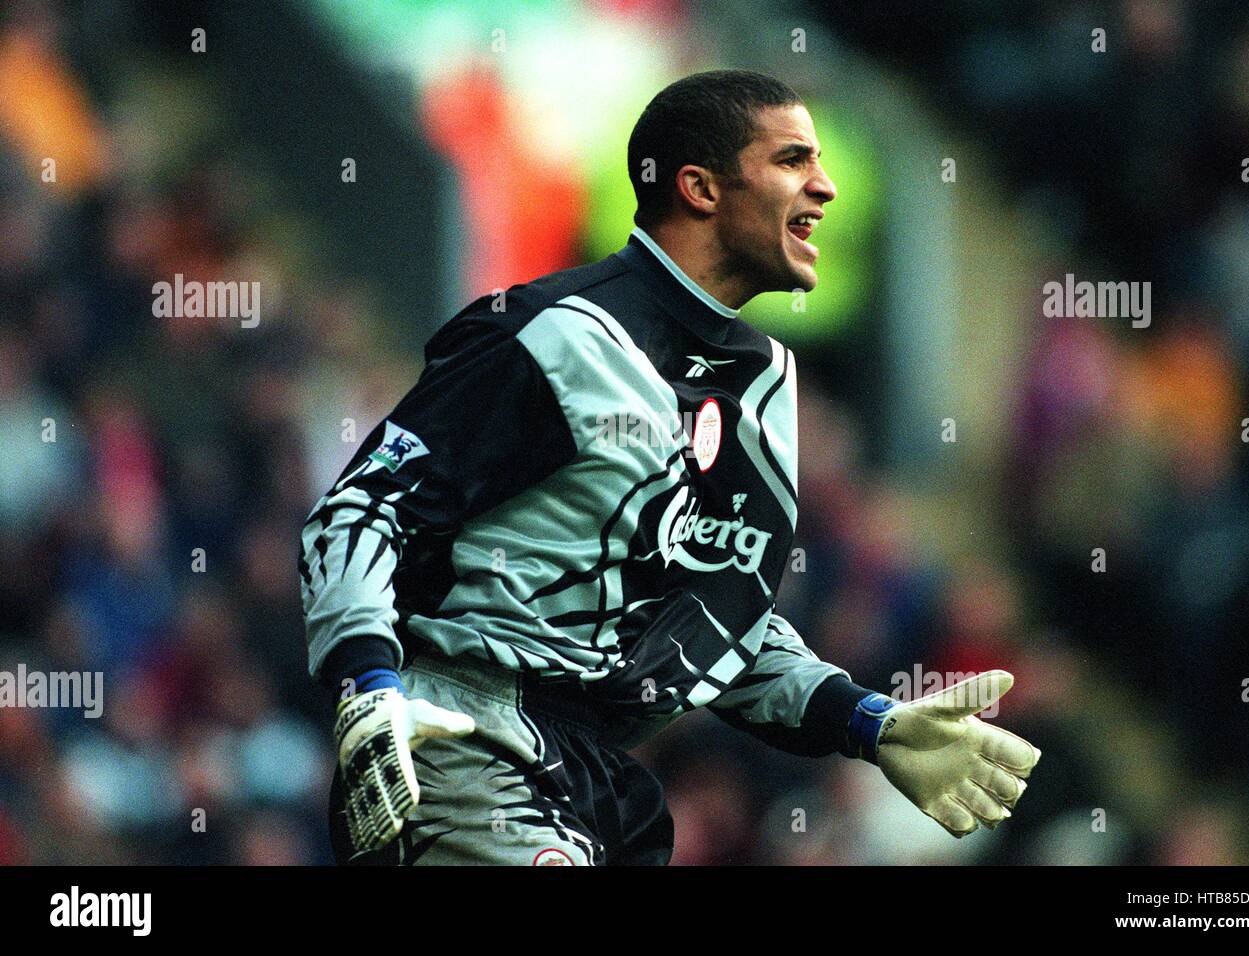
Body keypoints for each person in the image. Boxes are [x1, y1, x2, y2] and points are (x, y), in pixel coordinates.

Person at [300, 69, 1040, 865]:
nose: (825, 188)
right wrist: (364, 681)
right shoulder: (556, 335)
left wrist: (865, 721)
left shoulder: (767, 388)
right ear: (699, 188)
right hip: (465, 741)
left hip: (598, 778)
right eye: (792, 161)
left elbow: (712, 628)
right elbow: (363, 508)